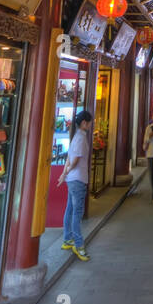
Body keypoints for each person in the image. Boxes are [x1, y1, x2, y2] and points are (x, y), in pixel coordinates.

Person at [57, 111, 93, 261]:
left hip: (73, 179)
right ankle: (79, 245)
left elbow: (69, 159)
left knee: (70, 209)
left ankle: (67, 239)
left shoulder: (76, 137)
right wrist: (65, 173)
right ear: (84, 123)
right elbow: (75, 161)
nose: (90, 125)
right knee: (77, 213)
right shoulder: (80, 138)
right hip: (78, 179)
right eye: (89, 122)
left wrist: (64, 174)